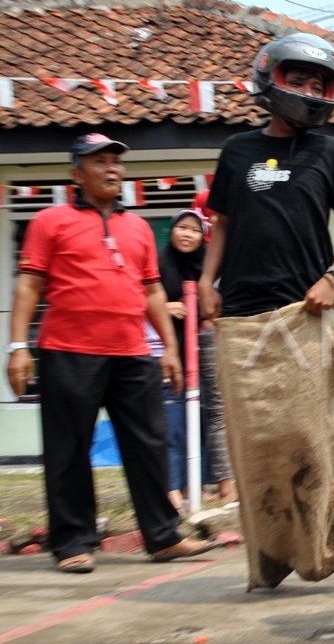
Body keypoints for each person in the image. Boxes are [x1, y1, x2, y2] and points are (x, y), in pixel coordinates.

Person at [199, 32, 334, 589]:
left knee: (305, 434)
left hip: (306, 312)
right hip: (240, 320)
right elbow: (221, 224)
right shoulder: (236, 151)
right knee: (254, 447)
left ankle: (327, 535)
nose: (308, 91)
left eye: (319, 84)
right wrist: (205, 281)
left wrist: (333, 279)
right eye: (298, 80)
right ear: (269, 79)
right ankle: (269, 558)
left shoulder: (332, 155)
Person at [5, 132, 217, 573]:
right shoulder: (49, 220)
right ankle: (73, 542)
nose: (112, 170)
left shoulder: (138, 227)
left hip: (133, 352)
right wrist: (19, 346)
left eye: (116, 162)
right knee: (68, 450)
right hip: (68, 351)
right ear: (76, 173)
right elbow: (29, 284)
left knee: (149, 445)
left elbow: (153, 291)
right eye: (99, 162)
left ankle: (163, 537)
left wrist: (170, 348)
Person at [155, 208, 207, 511]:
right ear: (172, 230)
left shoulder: (206, 267)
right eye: (182, 227)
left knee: (197, 423)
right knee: (171, 424)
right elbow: (138, 298)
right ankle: (171, 488)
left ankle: (193, 485)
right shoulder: (157, 264)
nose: (188, 234)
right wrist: (164, 307)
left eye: (195, 230)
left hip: (199, 359)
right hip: (164, 353)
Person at [190, 190, 236, 503]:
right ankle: (225, 485)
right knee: (218, 411)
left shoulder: (239, 244)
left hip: (242, 331)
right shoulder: (199, 250)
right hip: (212, 334)